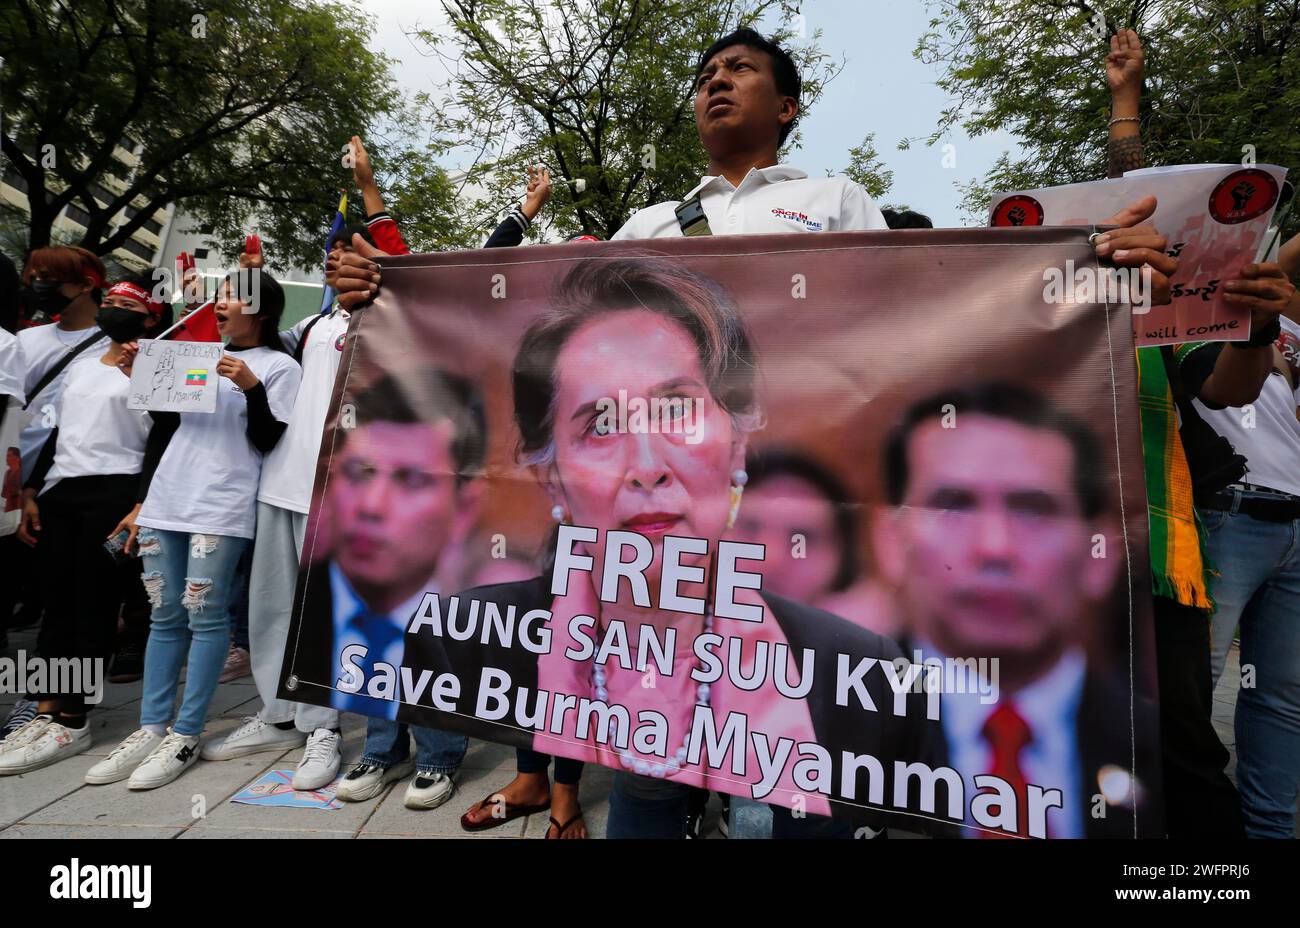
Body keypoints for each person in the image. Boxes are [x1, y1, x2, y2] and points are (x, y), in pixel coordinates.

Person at [400, 257, 939, 838]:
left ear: (737, 441)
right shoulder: (473, 635)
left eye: (678, 408)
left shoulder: (855, 664)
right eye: (600, 424)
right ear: (551, 476)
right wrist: (385, 296)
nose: (648, 468)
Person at [1101, 27, 1298, 837]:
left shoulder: (1215, 311)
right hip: (1175, 529)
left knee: (1236, 726)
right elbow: (1128, 207)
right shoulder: (1064, 303)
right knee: (1143, 734)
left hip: (1232, 535)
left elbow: (1235, 382)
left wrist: (1261, 328)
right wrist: (1123, 102)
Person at [201, 138, 412, 790]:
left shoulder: (393, 317)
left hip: (338, 498)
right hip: (279, 488)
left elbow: (405, 266)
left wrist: (370, 188)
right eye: (332, 251)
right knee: (270, 613)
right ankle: (277, 711)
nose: (336, 258)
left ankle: (323, 732)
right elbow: (251, 339)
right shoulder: (312, 327)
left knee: (321, 619)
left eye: (348, 249)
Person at [873, 382, 1156, 838]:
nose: (995, 547)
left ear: (1099, 554)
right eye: (953, 506)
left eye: (1034, 509)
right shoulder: (816, 733)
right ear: (890, 543)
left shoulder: (1158, 753)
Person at [82, 268, 300, 790]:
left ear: (263, 310)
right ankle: (151, 726)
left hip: (221, 507)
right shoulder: (194, 356)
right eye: (219, 297)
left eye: (232, 298)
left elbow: (272, 441)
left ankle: (186, 731)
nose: (220, 305)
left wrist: (249, 388)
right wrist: (142, 375)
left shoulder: (279, 367)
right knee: (163, 615)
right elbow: (166, 421)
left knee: (206, 619)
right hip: (167, 500)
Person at [280, 369, 483, 810]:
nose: (374, 506)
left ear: (462, 504)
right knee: (371, 639)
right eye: (363, 472)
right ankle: (383, 750)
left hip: (442, 602)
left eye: (412, 479)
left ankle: (439, 755)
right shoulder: (331, 587)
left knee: (432, 642)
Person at [0, 271, 172, 775]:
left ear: (149, 315)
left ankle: (74, 718)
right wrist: (31, 491)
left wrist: (144, 502)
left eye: (127, 302)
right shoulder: (79, 365)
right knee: (56, 604)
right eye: (111, 299)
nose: (114, 307)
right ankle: (45, 707)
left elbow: (166, 435)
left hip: (116, 491)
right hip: (61, 491)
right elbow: (57, 434)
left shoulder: (158, 359)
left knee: (93, 603)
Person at [1195, 234, 1300, 837]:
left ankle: (1270, 832)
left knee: (1283, 700)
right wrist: (1258, 331)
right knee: (1193, 693)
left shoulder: (1286, 322)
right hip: (1226, 519)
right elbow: (1225, 389)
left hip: (1293, 525)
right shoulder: (1184, 314)